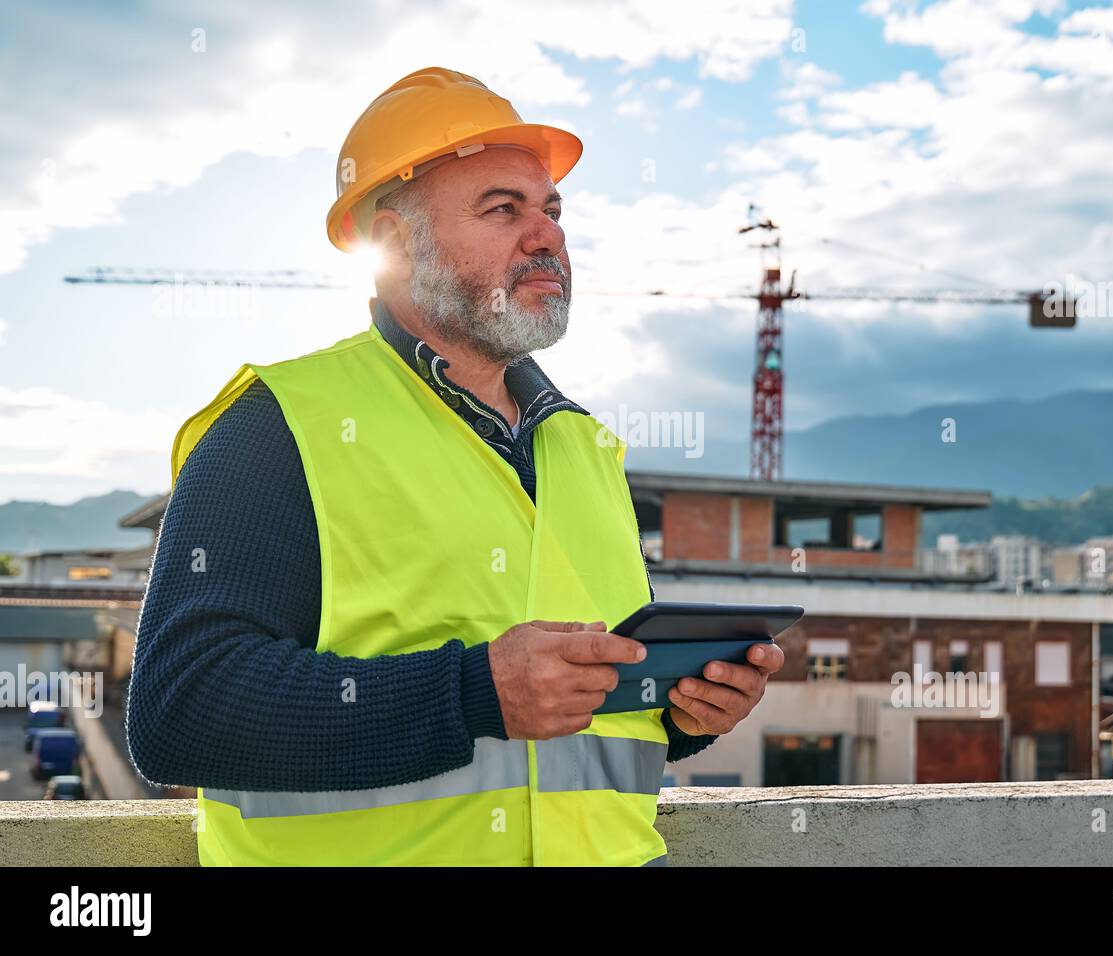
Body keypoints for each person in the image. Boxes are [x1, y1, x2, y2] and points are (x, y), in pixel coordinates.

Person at [126, 67, 784, 866]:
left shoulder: (585, 448)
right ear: (400, 247)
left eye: (551, 211)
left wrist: (683, 711)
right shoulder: (278, 426)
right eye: (503, 210)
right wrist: (473, 693)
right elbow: (181, 712)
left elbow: (578, 730)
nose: (546, 236)